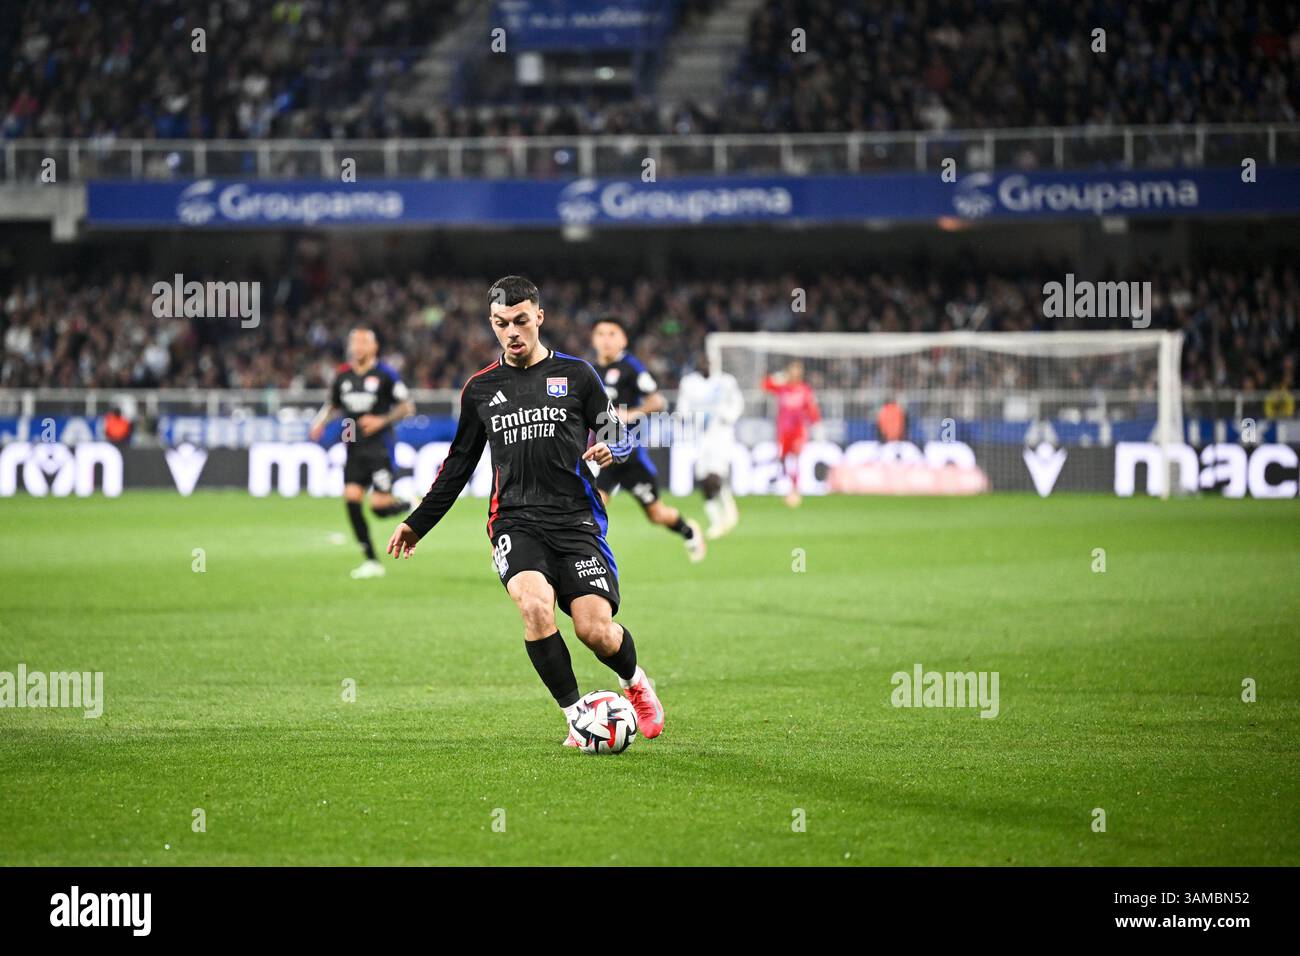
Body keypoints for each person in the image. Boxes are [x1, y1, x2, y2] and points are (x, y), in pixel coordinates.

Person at [386, 277, 666, 746]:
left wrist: (611, 450)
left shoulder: (578, 376)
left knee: (595, 631)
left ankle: (635, 682)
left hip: (577, 520)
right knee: (535, 607)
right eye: (501, 324)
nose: (512, 331)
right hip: (514, 521)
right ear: (492, 325)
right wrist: (417, 524)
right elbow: (458, 465)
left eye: (520, 320)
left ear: (538, 316)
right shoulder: (480, 389)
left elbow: (619, 433)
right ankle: (579, 716)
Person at [590, 317, 706, 562]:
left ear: (623, 339)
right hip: (603, 455)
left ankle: (688, 530)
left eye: (612, 333)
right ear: (593, 339)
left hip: (630, 457)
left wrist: (629, 414)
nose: (606, 339)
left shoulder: (632, 368)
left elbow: (657, 401)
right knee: (591, 507)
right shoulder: (588, 371)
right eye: (600, 333)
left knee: (656, 514)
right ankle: (581, 560)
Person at [309, 328, 415, 579]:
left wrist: (381, 420)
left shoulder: (385, 374)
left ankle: (409, 502)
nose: (357, 346)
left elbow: (407, 406)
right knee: (351, 499)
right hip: (353, 448)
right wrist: (319, 422)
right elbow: (333, 404)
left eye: (362, 342)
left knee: (378, 507)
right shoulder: (343, 375)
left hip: (380, 448)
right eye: (354, 342)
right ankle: (371, 561)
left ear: (374, 347)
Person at [676, 356, 744, 538]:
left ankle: (728, 511)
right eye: (701, 362)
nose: (705, 365)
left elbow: (737, 403)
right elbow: (682, 408)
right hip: (699, 438)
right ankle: (718, 519)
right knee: (704, 480)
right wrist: (685, 419)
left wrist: (728, 417)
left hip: (721, 436)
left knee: (714, 475)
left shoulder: (726, 381)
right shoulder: (689, 383)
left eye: (708, 362)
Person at [762, 360, 821, 507]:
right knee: (783, 460)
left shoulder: (805, 390)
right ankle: (784, 484)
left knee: (795, 459)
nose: (796, 373)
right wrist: (779, 377)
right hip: (783, 431)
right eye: (793, 370)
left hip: (798, 431)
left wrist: (817, 425)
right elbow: (764, 384)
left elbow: (812, 410)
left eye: (798, 370)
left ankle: (794, 490)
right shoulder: (782, 388)